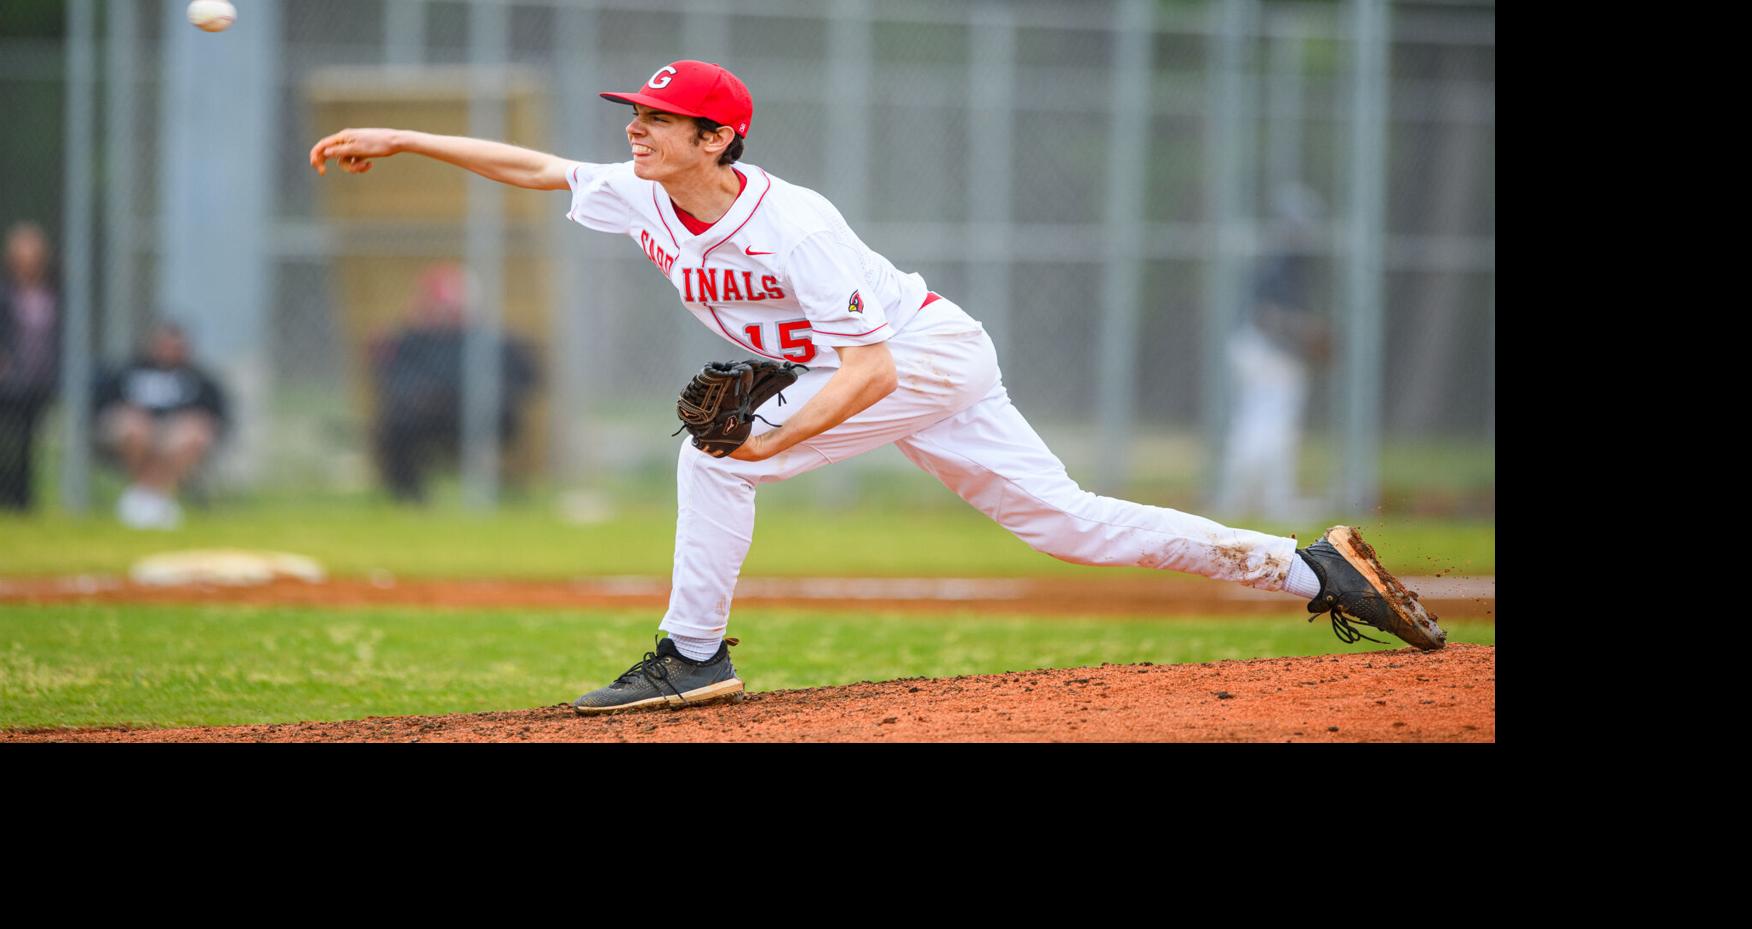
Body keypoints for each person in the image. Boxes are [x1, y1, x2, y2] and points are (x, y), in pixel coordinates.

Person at [309, 59, 1445, 715]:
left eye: (657, 119)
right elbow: (541, 169)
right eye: (637, 116)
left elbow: (872, 367)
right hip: (908, 357)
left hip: (916, 355)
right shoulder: (647, 190)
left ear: (721, 137)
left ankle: (694, 651)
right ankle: (1309, 566)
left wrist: (764, 441)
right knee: (1071, 523)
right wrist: (403, 139)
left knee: (713, 452)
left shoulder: (794, 225)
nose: (637, 130)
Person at [370, 262, 538, 503]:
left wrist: (486, 394)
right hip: (426, 417)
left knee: (491, 416)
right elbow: (395, 381)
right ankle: (409, 498)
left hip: (482, 413)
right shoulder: (411, 341)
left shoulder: (490, 340)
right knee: (394, 427)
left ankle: (496, 491)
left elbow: (525, 379)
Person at [1215, 183, 1334, 520]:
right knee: (1268, 427)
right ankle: (1267, 502)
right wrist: (1307, 331)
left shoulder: (1280, 260)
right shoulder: (1284, 262)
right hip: (1266, 353)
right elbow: (1266, 315)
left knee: (1256, 424)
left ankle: (1245, 500)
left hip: (1258, 350)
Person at [94, 320, 228, 529]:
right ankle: (155, 501)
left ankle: (141, 501)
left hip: (176, 437)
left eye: (176, 346)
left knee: (193, 433)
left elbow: (216, 417)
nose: (169, 351)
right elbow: (103, 408)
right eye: (164, 344)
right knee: (134, 427)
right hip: (135, 434)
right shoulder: (129, 371)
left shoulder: (200, 379)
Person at [0, 222, 61, 512]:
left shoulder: (54, 293)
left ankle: (22, 501)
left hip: (40, 378)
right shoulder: (5, 293)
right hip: (8, 379)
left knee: (28, 442)